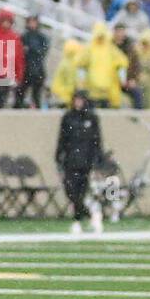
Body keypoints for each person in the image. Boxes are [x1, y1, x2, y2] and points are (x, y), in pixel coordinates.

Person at [55, 89, 103, 235]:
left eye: (80, 99)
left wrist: (96, 159)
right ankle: (90, 215)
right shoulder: (68, 117)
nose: (78, 102)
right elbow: (62, 138)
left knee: (81, 192)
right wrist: (59, 155)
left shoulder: (91, 118)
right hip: (70, 159)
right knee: (71, 190)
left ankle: (77, 220)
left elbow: (96, 141)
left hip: (85, 161)